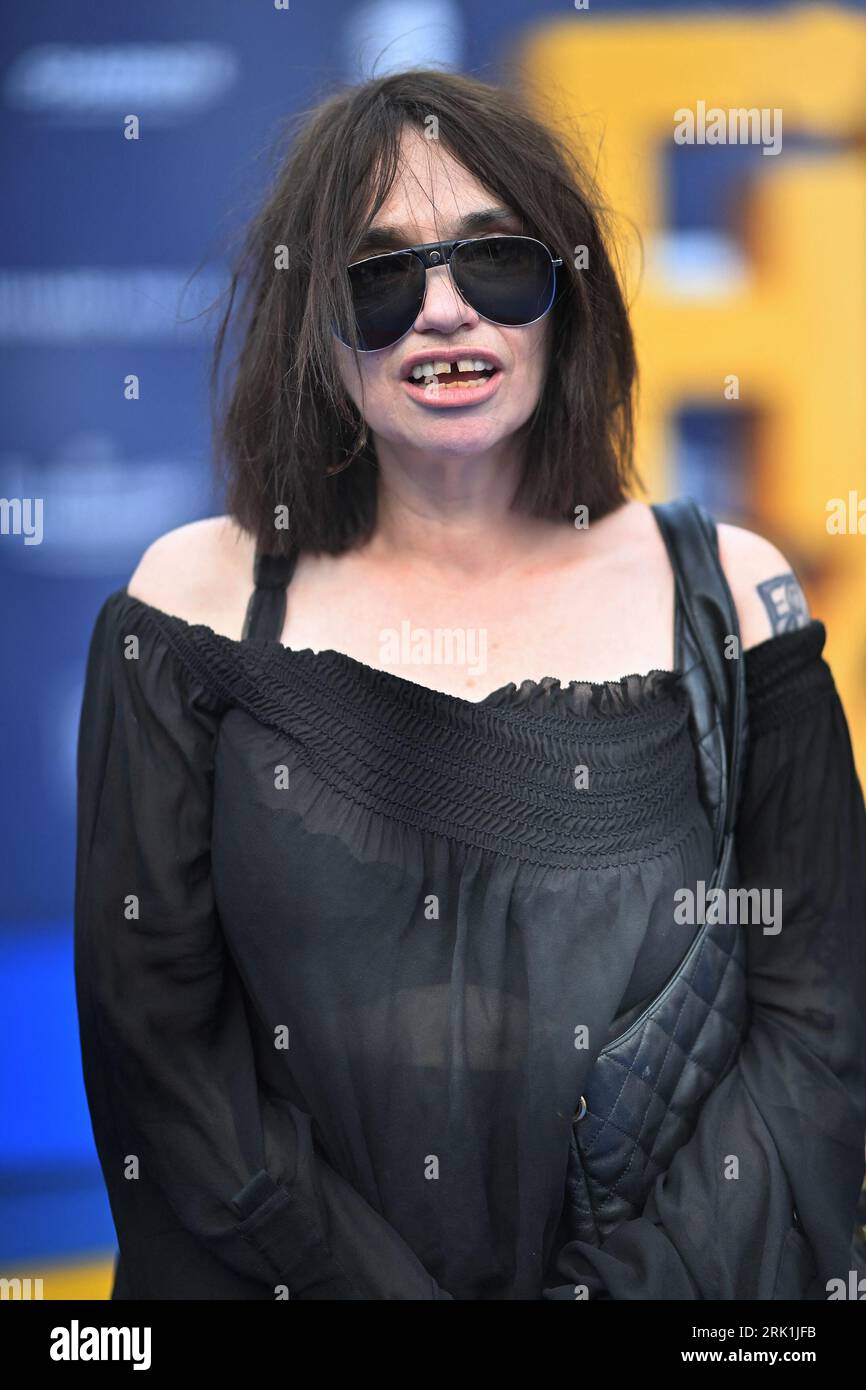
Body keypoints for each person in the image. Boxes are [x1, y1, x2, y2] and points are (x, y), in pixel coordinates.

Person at [73, 69, 866, 1300]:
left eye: (493, 261)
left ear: (565, 295)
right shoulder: (193, 602)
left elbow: (817, 1039)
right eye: (378, 276)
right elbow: (162, 1068)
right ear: (314, 328)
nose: (442, 311)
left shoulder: (732, 597)